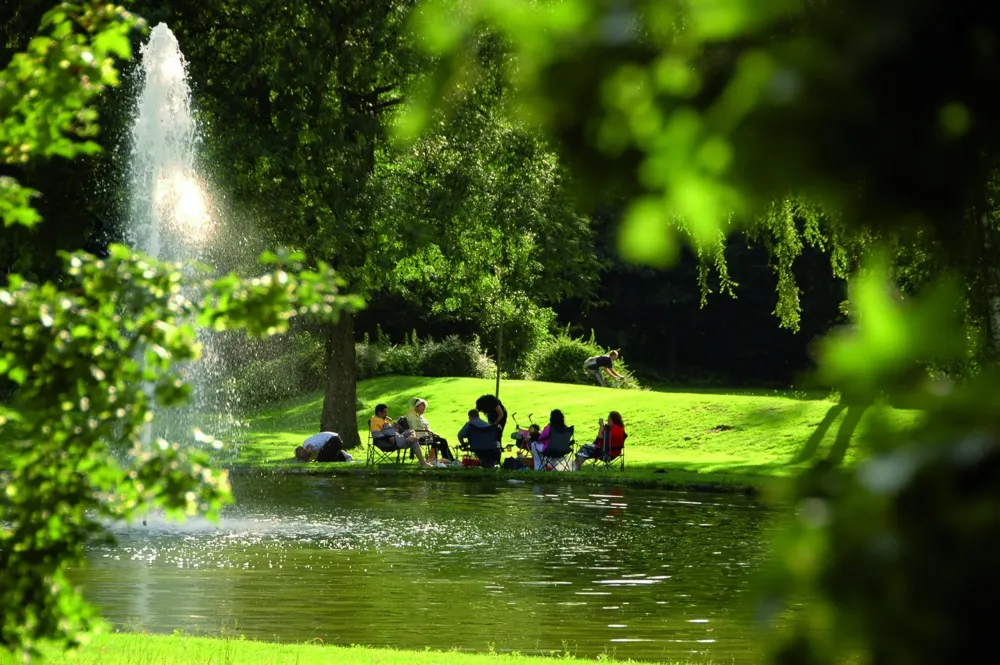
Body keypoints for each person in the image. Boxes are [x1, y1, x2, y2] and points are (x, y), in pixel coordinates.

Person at [406, 397, 454, 462]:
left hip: (426, 435)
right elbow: (414, 429)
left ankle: (449, 459)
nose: (424, 408)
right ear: (416, 407)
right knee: (439, 440)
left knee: (442, 440)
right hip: (419, 437)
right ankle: (438, 459)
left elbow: (426, 428)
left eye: (424, 406)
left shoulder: (421, 417)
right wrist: (429, 433)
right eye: (422, 406)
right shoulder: (412, 416)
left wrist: (432, 433)